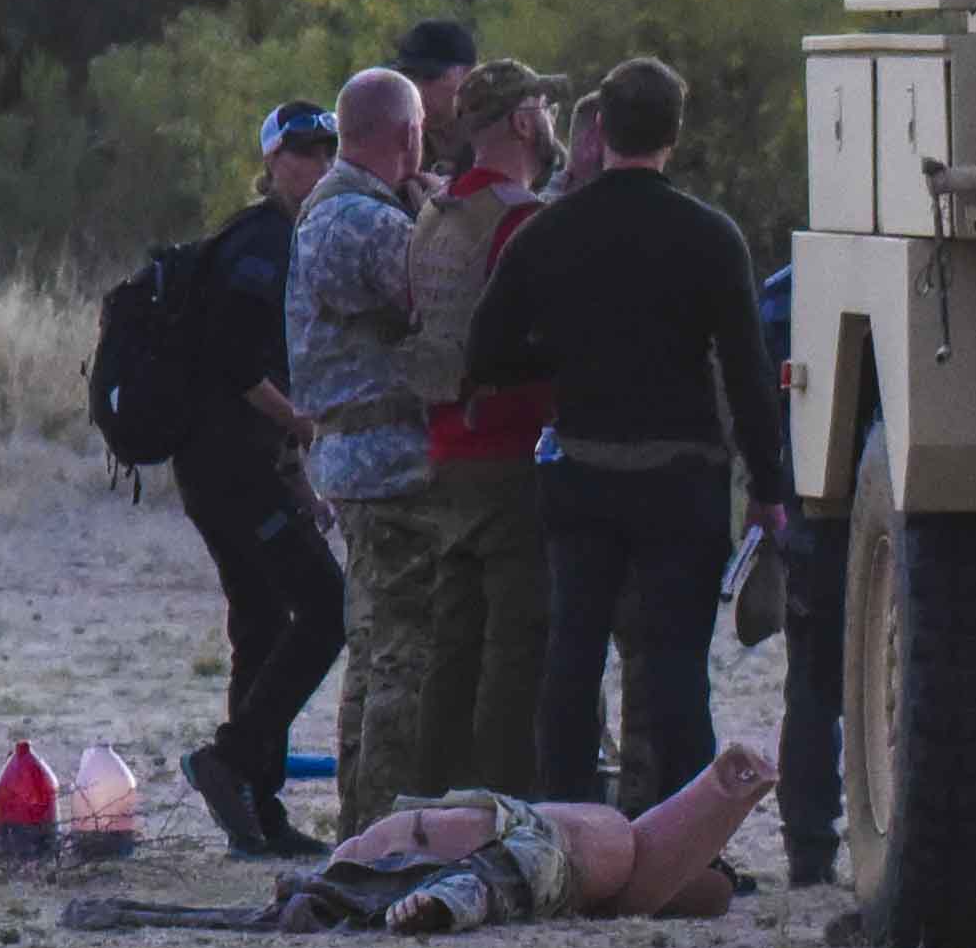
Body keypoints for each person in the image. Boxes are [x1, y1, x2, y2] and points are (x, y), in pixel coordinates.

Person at [466, 54, 793, 803]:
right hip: (682, 477)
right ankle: (684, 838)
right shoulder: (711, 237)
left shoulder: (549, 233)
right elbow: (747, 374)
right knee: (677, 663)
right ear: (674, 135)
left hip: (582, 471)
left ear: (600, 129)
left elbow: (485, 353)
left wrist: (562, 355)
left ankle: (568, 822)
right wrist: (768, 491)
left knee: (572, 657)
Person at [382, 63, 565, 812]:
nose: (551, 118)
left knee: (453, 646)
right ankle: (498, 809)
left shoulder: (436, 212)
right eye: (543, 106)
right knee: (516, 646)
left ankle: (429, 800)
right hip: (508, 451)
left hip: (445, 450)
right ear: (522, 123)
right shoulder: (522, 218)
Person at [170, 102, 348, 856]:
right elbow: (238, 366)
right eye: (299, 152)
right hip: (230, 470)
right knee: (327, 608)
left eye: (325, 150)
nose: (314, 164)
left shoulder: (286, 237)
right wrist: (303, 424)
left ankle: (255, 810)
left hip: (233, 468)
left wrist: (301, 478)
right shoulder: (265, 243)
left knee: (263, 623)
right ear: (272, 161)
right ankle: (235, 761)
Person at [289, 67, 442, 806]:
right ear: (407, 134)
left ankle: (359, 823)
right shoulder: (367, 221)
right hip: (392, 470)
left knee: (373, 653)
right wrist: (445, 214)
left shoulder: (339, 208)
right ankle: (382, 827)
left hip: (355, 465)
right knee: (402, 662)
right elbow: (440, 292)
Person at [309, 735, 779, 926]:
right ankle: (723, 803)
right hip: (535, 845)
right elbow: (494, 880)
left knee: (622, 863)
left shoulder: (356, 865)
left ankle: (721, 812)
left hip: (534, 843)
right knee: (609, 857)